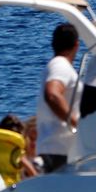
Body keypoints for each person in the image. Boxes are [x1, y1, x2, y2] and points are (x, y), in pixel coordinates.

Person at [34, 22, 79, 174]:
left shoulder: (55, 65)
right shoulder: (61, 65)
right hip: (59, 152)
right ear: (76, 45)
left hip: (56, 150)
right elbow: (52, 94)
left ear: (53, 43)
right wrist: (76, 123)